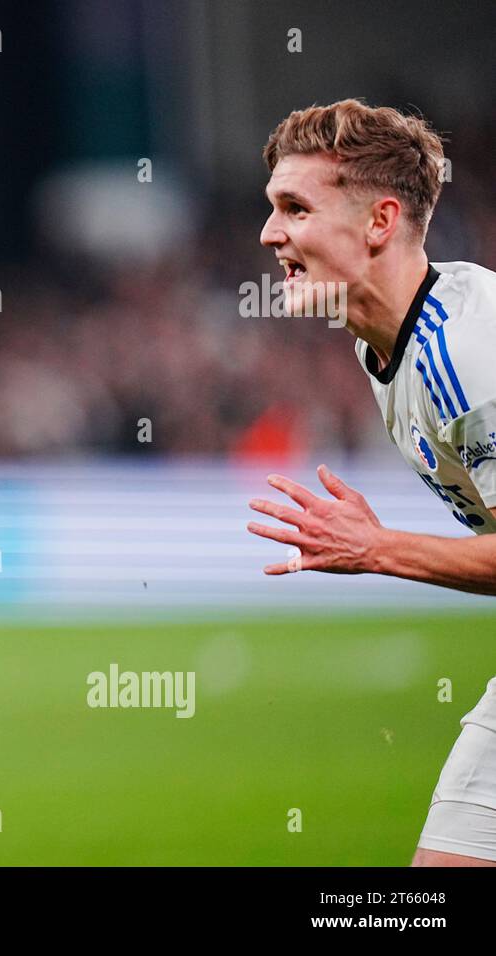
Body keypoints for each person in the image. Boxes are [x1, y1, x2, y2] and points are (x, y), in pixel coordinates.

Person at [252, 98, 496, 866]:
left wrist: (379, 548)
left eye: (295, 208)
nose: (269, 235)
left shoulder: (467, 355)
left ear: (380, 222)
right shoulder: (382, 341)